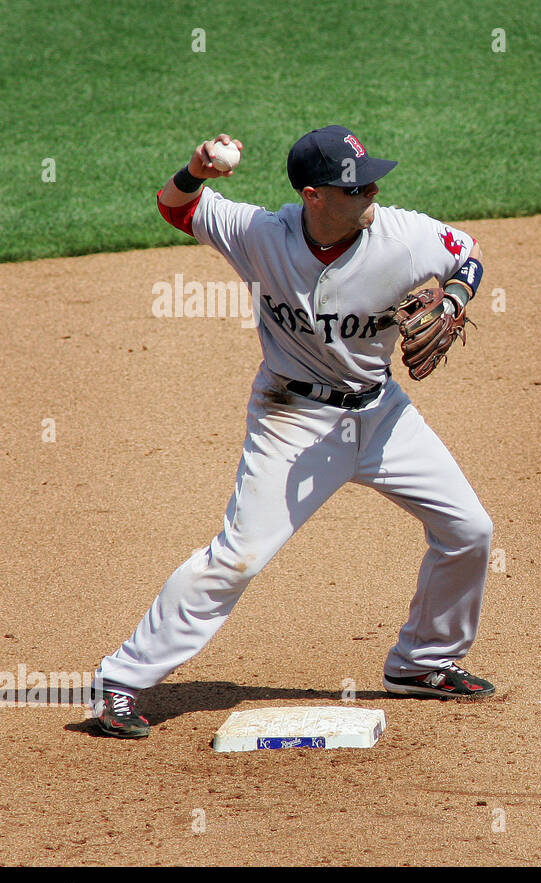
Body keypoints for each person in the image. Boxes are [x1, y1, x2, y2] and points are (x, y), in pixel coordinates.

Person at [93, 126, 496, 739]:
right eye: (355, 186)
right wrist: (198, 168)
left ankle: (423, 663)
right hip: (291, 417)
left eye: (371, 180)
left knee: (468, 529)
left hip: (382, 414)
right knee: (238, 557)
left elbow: (466, 250)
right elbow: (176, 208)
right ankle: (121, 682)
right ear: (313, 196)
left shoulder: (402, 236)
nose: (372, 192)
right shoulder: (261, 235)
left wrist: (454, 297)